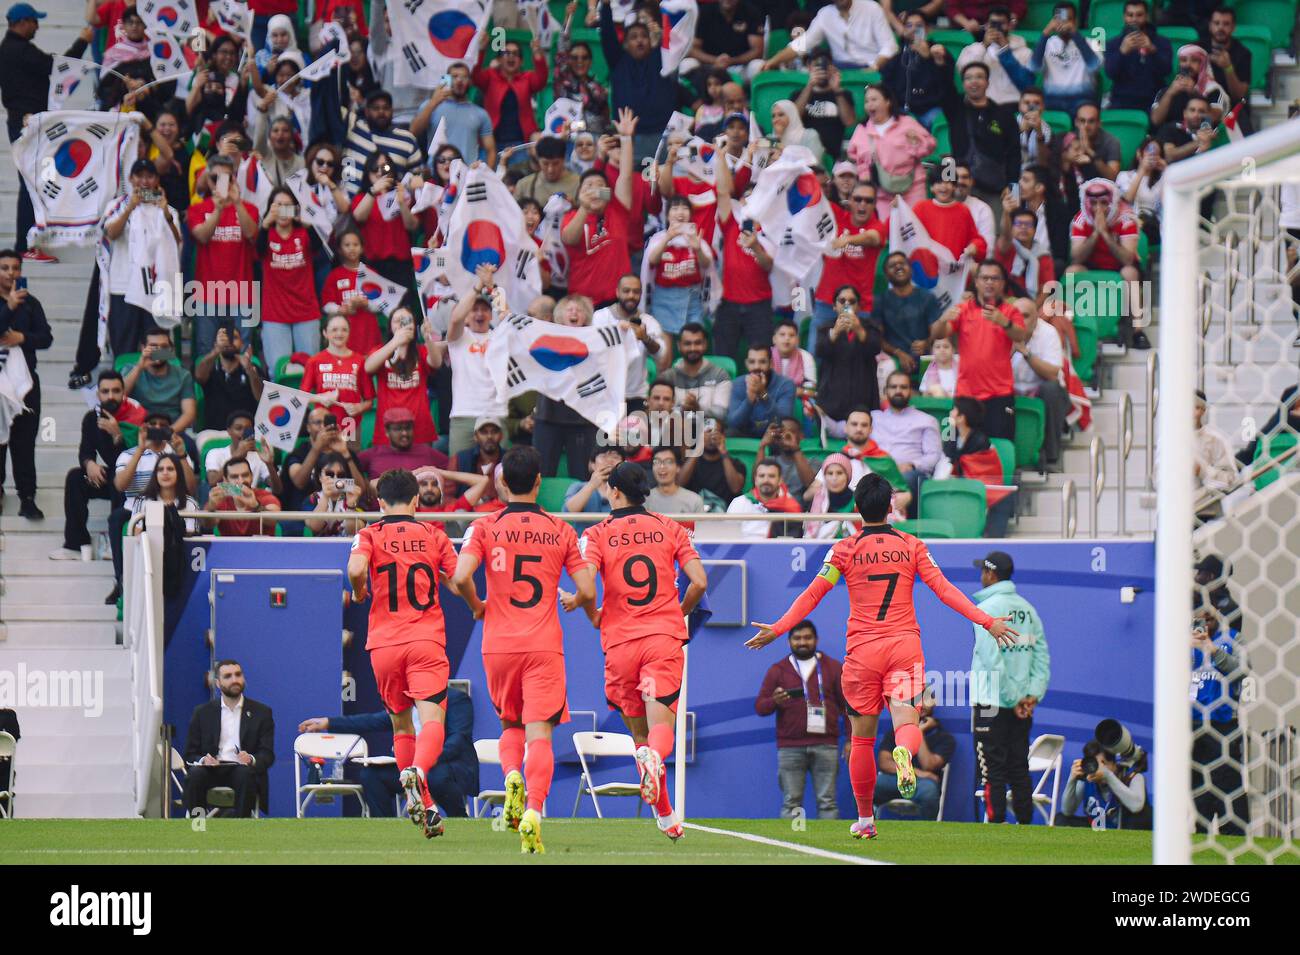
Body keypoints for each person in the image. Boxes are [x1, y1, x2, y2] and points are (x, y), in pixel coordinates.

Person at [747, 474, 1020, 840]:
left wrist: (778, 628)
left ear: (856, 508)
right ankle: (905, 754)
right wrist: (986, 620)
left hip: (862, 653)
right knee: (907, 723)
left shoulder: (843, 550)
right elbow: (944, 590)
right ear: (890, 507)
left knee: (862, 739)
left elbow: (812, 595)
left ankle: (865, 819)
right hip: (904, 647)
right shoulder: (913, 545)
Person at [452, 446, 593, 852]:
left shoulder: (484, 526)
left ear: (500, 483)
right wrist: (574, 601)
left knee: (509, 726)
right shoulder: (561, 530)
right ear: (539, 482)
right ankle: (533, 809)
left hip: (498, 645)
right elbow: (586, 589)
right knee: (541, 735)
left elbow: (462, 577)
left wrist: (478, 606)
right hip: (543, 645)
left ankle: (511, 774)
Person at [569, 462, 709, 840]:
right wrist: (678, 611)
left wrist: (591, 612)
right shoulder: (670, 527)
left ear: (614, 491)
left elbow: (586, 585)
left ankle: (665, 816)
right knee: (662, 728)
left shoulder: (598, 533)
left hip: (620, 642)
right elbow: (699, 582)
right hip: (662, 636)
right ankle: (656, 770)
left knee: (640, 736)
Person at [348, 468, 479, 839]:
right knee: (433, 719)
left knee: (401, 725)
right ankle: (419, 772)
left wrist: (359, 592)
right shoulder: (433, 535)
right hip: (424, 640)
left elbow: (356, 568)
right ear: (416, 500)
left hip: (384, 645)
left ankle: (423, 806)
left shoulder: (368, 534)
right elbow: (458, 582)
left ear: (378, 502)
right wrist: (474, 602)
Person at [0, 6, 93, 259]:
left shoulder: (7, 50)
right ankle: (26, 244)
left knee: (34, 182)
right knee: (32, 183)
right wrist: (82, 42)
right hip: (28, 124)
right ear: (21, 22)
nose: (37, 27)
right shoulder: (20, 51)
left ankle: (28, 242)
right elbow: (55, 68)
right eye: (34, 22)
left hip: (22, 122)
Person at [968, 550, 1051, 823]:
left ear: (991, 574)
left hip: (991, 700)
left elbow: (992, 661)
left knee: (993, 769)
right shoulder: (1029, 610)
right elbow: (1041, 657)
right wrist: (1031, 696)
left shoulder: (986, 610)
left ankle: (996, 827)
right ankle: (1025, 826)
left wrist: (1013, 697)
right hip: (1021, 707)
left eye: (983, 571)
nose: (981, 575)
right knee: (1018, 767)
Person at [754, 620, 845, 819]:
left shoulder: (833, 668)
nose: (802, 642)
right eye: (797, 638)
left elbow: (847, 707)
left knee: (827, 802)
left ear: (816, 640)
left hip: (826, 744)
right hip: (790, 747)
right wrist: (775, 701)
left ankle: (828, 847)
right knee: (791, 801)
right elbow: (760, 707)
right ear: (789, 642)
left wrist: (851, 740)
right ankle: (791, 847)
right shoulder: (778, 669)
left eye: (807, 638)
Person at [930, 260, 1028, 440]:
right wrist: (942, 320)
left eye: (995, 278)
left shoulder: (1010, 311)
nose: (989, 282)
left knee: (999, 447)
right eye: (985, 278)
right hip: (966, 394)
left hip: (999, 394)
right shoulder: (962, 309)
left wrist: (1003, 322)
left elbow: (1021, 336)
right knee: (958, 449)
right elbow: (938, 333)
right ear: (976, 282)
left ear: (1002, 283)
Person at [51, 371, 142, 562]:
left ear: (123, 392)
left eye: (116, 391)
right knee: (76, 478)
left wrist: (118, 437)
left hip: (136, 479)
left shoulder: (137, 415)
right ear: (98, 394)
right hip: (111, 477)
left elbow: (140, 459)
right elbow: (85, 451)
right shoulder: (92, 418)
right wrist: (89, 464)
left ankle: (114, 541)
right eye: (105, 391)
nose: (110, 396)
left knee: (119, 481)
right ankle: (75, 544)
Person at [96, 159, 183, 361]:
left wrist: (165, 213)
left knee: (159, 350)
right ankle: (123, 389)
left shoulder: (169, 210)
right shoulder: (117, 206)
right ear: (131, 179)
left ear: (157, 180)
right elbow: (111, 234)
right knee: (124, 347)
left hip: (158, 289)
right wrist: (129, 209)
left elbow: (178, 242)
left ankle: (158, 390)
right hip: (123, 288)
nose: (144, 181)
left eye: (150, 176)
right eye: (139, 176)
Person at [111, 411, 195, 600]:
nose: (157, 428)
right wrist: (141, 449)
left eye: (162, 425)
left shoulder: (177, 454)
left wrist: (181, 455)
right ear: (145, 428)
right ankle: (121, 580)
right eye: (153, 424)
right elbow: (120, 485)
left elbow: (190, 489)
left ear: (170, 429)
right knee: (116, 519)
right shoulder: (128, 454)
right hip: (135, 506)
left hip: (173, 506)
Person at [561, 109, 639, 307]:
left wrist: (626, 138)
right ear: (578, 194)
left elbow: (626, 176)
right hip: (583, 303)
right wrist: (584, 208)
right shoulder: (571, 216)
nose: (595, 190)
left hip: (617, 300)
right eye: (588, 187)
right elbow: (569, 238)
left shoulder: (616, 209)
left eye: (600, 186)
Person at [186, 156, 260, 359]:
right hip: (207, 293)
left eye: (226, 178)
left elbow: (251, 234)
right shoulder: (197, 209)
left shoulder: (249, 209)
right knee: (206, 351)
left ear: (234, 179)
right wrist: (218, 208)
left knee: (243, 351)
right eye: (215, 178)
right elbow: (201, 236)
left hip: (242, 291)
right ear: (208, 181)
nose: (220, 182)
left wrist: (236, 203)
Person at [182, 660, 275, 818]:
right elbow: (190, 754)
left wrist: (251, 758)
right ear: (218, 683)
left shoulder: (262, 712)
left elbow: (267, 755)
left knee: (246, 775)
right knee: (195, 775)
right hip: (211, 769)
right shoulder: (202, 713)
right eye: (228, 676)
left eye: (238, 675)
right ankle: (197, 827)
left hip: (241, 769)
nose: (234, 680)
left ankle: (241, 830)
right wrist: (204, 760)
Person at [711, 142, 776, 363]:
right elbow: (721, 192)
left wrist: (755, 245)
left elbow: (768, 265)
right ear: (740, 201)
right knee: (723, 357)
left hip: (759, 305)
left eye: (755, 197)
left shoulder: (770, 229)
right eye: (746, 196)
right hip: (728, 303)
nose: (749, 201)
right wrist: (720, 157)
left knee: (762, 359)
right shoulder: (732, 223)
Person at [1067, 178, 1148, 348]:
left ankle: (1138, 331)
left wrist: (1105, 234)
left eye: (1103, 203)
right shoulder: (1080, 220)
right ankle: (1071, 324)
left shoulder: (1126, 219)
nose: (1099, 208)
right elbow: (1077, 257)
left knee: (1130, 273)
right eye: (1094, 203)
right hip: (1092, 263)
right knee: (1071, 272)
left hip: (1120, 265)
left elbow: (1127, 258)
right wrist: (1096, 233)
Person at [0, 247, 51, 518]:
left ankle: (27, 497)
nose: (11, 273)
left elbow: (46, 338)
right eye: (5, 268)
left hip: (26, 382)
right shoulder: (11, 303)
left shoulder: (30, 302)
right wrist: (7, 309)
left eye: (15, 268)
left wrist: (23, 338)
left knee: (24, 441)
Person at [1191, 605, 1249, 835]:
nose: (1205, 620)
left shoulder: (1233, 639)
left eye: (1210, 616)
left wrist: (1212, 649)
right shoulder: (1183, 643)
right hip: (1193, 728)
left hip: (1223, 726)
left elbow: (1242, 672)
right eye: (1200, 616)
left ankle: (1234, 838)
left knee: (1228, 787)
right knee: (1199, 790)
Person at [599, 0, 679, 160]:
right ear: (626, 44)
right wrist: (606, 6)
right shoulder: (618, 62)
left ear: (651, 41)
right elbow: (607, 34)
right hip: (631, 137)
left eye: (644, 36)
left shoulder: (661, 59)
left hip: (662, 134)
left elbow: (673, 38)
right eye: (634, 37)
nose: (640, 40)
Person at [812, 181, 887, 343]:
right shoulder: (836, 216)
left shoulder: (877, 226)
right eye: (858, 199)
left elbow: (872, 237)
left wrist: (847, 240)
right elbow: (813, 198)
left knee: (857, 360)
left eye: (868, 201)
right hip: (827, 302)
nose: (862, 204)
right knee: (818, 353)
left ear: (874, 204)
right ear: (850, 201)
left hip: (859, 306)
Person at [257, 187, 323, 372]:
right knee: (278, 371)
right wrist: (265, 224)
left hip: (306, 312)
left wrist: (307, 223)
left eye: (288, 206)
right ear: (270, 208)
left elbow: (320, 247)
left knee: (310, 370)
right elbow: (258, 250)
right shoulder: (266, 235)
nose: (283, 210)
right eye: (278, 206)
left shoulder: (304, 234)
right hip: (275, 314)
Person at [846, 88, 932, 221]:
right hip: (881, 195)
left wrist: (915, 142)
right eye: (866, 101)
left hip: (913, 189)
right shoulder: (861, 130)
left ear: (888, 102)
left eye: (874, 99)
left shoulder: (906, 122)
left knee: (916, 233)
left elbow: (929, 146)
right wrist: (866, 176)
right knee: (887, 234)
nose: (870, 104)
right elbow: (855, 158)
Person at [942, 64, 1021, 203]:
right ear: (963, 83)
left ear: (987, 82)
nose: (974, 81)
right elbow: (943, 85)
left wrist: (1012, 187)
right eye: (968, 78)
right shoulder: (955, 109)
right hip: (960, 186)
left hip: (994, 188)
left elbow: (1014, 154)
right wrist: (942, 63)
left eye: (979, 77)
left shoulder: (1004, 115)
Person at [874, 687, 954, 820]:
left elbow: (929, 765)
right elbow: (884, 762)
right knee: (867, 786)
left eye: (926, 699)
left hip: (923, 784)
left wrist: (919, 731)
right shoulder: (895, 732)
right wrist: (916, 772)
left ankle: (927, 834)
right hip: (894, 779)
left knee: (929, 792)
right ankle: (867, 825)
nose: (921, 704)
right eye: (917, 700)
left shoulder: (944, 738)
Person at [1009, 297, 1070, 471]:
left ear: (1036, 319)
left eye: (1026, 316)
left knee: (1051, 389)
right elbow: (990, 374)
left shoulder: (1048, 332)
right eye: (1016, 315)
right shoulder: (1002, 331)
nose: (1020, 320)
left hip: (1040, 392)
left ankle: (1051, 456)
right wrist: (1009, 352)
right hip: (1009, 391)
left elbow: (1052, 374)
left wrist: (1026, 354)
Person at [594, 275, 669, 414]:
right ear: (617, 292)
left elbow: (661, 354)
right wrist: (618, 334)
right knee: (606, 436)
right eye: (626, 291)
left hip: (636, 395)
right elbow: (593, 350)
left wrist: (646, 338)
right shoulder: (601, 317)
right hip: (605, 393)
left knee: (635, 435)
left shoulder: (648, 321)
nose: (631, 296)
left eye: (636, 292)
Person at [364, 308, 439, 446]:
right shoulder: (381, 350)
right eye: (397, 321)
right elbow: (368, 367)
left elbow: (436, 363)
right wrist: (395, 342)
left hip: (419, 428)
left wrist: (428, 337)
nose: (402, 325)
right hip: (388, 429)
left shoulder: (421, 351)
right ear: (390, 326)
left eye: (407, 321)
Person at [814, 286, 883, 435]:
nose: (847, 305)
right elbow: (820, 350)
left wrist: (858, 329)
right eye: (842, 301)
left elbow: (875, 348)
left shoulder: (870, 327)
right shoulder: (825, 328)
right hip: (832, 400)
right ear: (834, 306)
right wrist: (835, 332)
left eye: (852, 301)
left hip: (863, 397)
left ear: (858, 306)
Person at [646, 197, 714, 340]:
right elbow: (652, 260)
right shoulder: (658, 239)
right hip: (663, 301)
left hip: (692, 300)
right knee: (664, 352)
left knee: (693, 345)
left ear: (690, 214)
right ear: (667, 214)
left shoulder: (696, 240)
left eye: (685, 208)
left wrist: (698, 249)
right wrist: (668, 238)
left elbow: (707, 265)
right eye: (675, 208)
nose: (680, 213)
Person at [765, 0, 897, 72]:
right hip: (841, 69)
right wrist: (772, 62)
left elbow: (890, 46)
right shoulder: (825, 14)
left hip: (873, 66)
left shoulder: (871, 8)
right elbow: (801, 45)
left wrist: (874, 67)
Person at [472, 36, 548, 159]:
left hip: (520, 144)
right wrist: (481, 50)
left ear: (521, 61)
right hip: (492, 145)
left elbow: (541, 80)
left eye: (515, 53)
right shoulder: (490, 76)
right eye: (506, 53)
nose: (511, 56)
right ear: (499, 59)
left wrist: (537, 54)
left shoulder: (527, 78)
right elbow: (474, 76)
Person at [875, 371, 944, 506]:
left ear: (910, 391)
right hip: (877, 471)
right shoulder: (873, 418)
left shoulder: (926, 420)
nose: (898, 391)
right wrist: (821, 414)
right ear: (885, 391)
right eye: (893, 387)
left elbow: (933, 455)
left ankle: (900, 523)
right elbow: (842, 428)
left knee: (908, 478)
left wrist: (912, 465)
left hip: (910, 474)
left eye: (903, 387)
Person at [301, 314, 375, 438]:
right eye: (334, 329)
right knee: (323, 457)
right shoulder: (314, 361)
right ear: (325, 333)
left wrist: (359, 407)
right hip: (322, 425)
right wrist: (321, 398)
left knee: (350, 456)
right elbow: (301, 396)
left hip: (350, 425)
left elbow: (369, 401)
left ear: (349, 332)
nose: (339, 333)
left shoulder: (360, 361)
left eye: (344, 329)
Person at [411, 62, 496, 167]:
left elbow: (491, 150)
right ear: (446, 80)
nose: (459, 80)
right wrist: (434, 102)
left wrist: (487, 176)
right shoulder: (430, 106)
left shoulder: (480, 113)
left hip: (467, 175)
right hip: (437, 174)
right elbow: (413, 132)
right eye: (455, 77)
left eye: (464, 77)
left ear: (470, 82)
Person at [1021, 3, 1099, 114]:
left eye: (1068, 19)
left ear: (1075, 21)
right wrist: (1045, 33)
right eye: (1060, 19)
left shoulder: (1092, 42)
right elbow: (1034, 67)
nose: (1064, 23)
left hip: (1082, 100)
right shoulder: (1046, 43)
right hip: (1052, 100)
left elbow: (1095, 66)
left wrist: (1075, 34)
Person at [343, 89, 423, 196]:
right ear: (366, 111)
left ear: (392, 111)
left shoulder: (407, 140)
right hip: (348, 204)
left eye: (386, 108)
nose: (381, 112)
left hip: (386, 208)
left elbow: (416, 178)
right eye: (376, 108)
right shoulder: (353, 127)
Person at [1058, 739, 1151, 829]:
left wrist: (1108, 776)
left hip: (1126, 830)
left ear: (1115, 764)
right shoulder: (1087, 778)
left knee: (1142, 816)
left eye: (1104, 763)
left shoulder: (1132, 776)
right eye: (1096, 764)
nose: (1099, 769)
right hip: (1098, 829)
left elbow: (1136, 806)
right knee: (1061, 819)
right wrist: (1072, 778)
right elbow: (1067, 811)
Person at [876, 253, 941, 375]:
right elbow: (877, 338)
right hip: (892, 361)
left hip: (925, 358)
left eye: (902, 263)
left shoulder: (928, 297)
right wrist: (898, 353)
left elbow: (937, 332)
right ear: (886, 275)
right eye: (892, 265)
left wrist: (926, 343)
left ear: (911, 269)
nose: (898, 267)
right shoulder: (880, 301)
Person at [882, 12, 950, 128]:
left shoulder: (938, 52)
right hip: (903, 109)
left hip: (931, 109)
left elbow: (946, 83)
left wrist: (928, 58)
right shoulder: (897, 56)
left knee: (939, 122)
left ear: (927, 29)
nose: (913, 29)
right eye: (909, 25)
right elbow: (887, 86)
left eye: (919, 26)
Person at [956, 6, 1033, 107]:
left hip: (1013, 105)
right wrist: (984, 46)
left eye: (1001, 24)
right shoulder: (972, 49)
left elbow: (1026, 84)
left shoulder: (1025, 52)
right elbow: (964, 72)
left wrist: (1004, 50)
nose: (997, 28)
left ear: (1010, 26)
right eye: (993, 24)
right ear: (987, 26)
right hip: (982, 105)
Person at [1104, 0, 1172, 112]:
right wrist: (1122, 52)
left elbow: (1166, 71)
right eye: (1130, 15)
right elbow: (1110, 73)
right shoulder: (1113, 43)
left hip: (1153, 99)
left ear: (1147, 16)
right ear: (1124, 17)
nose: (1134, 19)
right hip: (1121, 100)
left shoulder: (1162, 42)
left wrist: (1152, 50)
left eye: (1139, 15)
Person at [195, 327, 264, 434]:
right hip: (214, 433)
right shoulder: (209, 367)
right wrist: (216, 351)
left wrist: (250, 371)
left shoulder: (252, 368)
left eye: (234, 338)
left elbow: (261, 398)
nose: (229, 341)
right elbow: (199, 376)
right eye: (225, 339)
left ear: (241, 343)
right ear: (215, 344)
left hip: (248, 432)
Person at [685, 0, 765, 86]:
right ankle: (692, 98)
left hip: (739, 66)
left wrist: (732, 61)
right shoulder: (704, 12)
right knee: (687, 64)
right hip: (709, 66)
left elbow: (757, 50)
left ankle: (753, 98)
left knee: (758, 66)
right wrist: (715, 60)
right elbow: (692, 49)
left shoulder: (751, 11)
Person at [554, 12, 610, 135]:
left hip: (595, 141)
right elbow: (562, 49)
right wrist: (568, 19)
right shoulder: (564, 81)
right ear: (568, 60)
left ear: (590, 61)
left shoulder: (597, 88)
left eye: (584, 58)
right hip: (569, 140)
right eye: (575, 58)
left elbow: (605, 120)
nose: (580, 61)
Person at [666, 323, 733, 423]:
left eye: (697, 343)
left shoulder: (720, 375)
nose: (693, 348)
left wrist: (698, 408)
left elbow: (722, 413)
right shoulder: (667, 377)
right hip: (676, 431)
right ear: (679, 346)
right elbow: (659, 411)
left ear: (705, 344)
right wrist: (683, 409)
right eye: (687, 344)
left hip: (708, 431)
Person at [1150, 45, 1229, 129]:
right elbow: (1156, 120)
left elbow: (1213, 119)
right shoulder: (1165, 92)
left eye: (1194, 60)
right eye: (1184, 60)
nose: (1188, 64)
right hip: (1169, 136)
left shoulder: (1212, 90)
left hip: (1198, 137)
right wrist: (1170, 93)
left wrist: (1194, 92)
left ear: (1202, 64)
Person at [795, 53, 856, 158]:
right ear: (809, 68)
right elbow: (793, 118)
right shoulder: (798, 94)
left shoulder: (843, 94)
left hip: (833, 154)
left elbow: (849, 122)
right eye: (816, 66)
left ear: (832, 68)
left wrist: (837, 90)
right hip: (804, 153)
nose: (821, 70)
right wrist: (809, 86)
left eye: (824, 66)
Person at [727, 345, 795, 439]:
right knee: (730, 433)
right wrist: (749, 400)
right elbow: (733, 423)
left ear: (771, 363)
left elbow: (783, 422)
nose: (757, 367)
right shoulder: (738, 383)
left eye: (762, 362)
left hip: (773, 435)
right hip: (746, 434)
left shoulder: (786, 384)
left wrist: (763, 394)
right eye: (752, 362)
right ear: (746, 364)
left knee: (784, 434)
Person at [204, 411, 280, 493]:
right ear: (229, 431)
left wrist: (269, 465)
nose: (243, 433)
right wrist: (236, 456)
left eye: (247, 429)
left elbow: (277, 490)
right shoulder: (215, 453)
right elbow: (212, 482)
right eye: (238, 428)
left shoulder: (259, 456)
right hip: (224, 500)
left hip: (250, 499)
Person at [1201, 8, 1251, 132]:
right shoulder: (1198, 49)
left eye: (1226, 24)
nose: (1220, 28)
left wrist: (1228, 68)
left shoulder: (1243, 54)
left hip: (1231, 109)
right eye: (1217, 23)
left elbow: (1239, 95)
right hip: (1202, 106)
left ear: (1233, 27)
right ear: (1210, 26)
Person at [996, 205, 1056, 307]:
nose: (1023, 227)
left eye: (1028, 224)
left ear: (1035, 229)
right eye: (1018, 224)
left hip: (1032, 305)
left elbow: (1045, 289)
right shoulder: (1006, 247)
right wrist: (1006, 212)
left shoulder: (1043, 255)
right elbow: (1005, 234)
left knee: (1056, 308)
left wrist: (1031, 309)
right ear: (1011, 227)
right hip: (1004, 303)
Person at [726, 459, 803, 538]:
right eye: (761, 476)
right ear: (755, 480)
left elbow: (793, 540)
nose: (766, 480)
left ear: (780, 480)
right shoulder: (740, 502)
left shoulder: (790, 506)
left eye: (771, 476)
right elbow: (728, 536)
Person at [206, 457, 282, 536]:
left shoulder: (265, 496)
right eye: (234, 477)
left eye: (245, 475)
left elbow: (273, 520)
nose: (241, 481)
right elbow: (207, 525)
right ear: (225, 480)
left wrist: (256, 506)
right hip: (230, 547)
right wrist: (211, 507)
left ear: (251, 476)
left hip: (261, 547)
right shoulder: (219, 500)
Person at [680, 423, 748, 504]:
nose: (711, 437)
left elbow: (736, 488)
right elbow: (679, 484)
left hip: (725, 514)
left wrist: (723, 452)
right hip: (695, 513)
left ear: (723, 437)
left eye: (715, 432)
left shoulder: (735, 463)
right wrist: (698, 448)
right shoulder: (689, 462)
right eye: (707, 433)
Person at [758, 416, 816, 499]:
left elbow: (809, 484)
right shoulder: (770, 461)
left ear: (801, 436)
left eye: (791, 432)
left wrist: (795, 448)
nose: (786, 436)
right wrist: (762, 446)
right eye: (782, 432)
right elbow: (755, 482)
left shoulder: (813, 462)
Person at [513, 136, 581, 206]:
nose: (550, 169)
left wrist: (574, 206)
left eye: (555, 163)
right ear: (538, 160)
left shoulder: (579, 183)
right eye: (545, 163)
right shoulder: (524, 186)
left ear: (564, 160)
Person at [453, 417, 506, 504]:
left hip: (501, 513)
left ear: (501, 435)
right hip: (466, 515)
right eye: (484, 432)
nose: (489, 436)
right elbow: (447, 497)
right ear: (475, 436)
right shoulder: (459, 459)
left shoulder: (510, 459)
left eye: (494, 432)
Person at [645, 446, 707, 519]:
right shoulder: (644, 501)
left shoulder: (694, 501)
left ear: (678, 467)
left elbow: (701, 530)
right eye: (656, 462)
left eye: (668, 462)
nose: (662, 466)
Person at [564, 445, 625, 514]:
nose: (609, 460)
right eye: (604, 456)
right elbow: (570, 511)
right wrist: (592, 484)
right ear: (592, 465)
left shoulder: (627, 488)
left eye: (615, 457)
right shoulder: (578, 487)